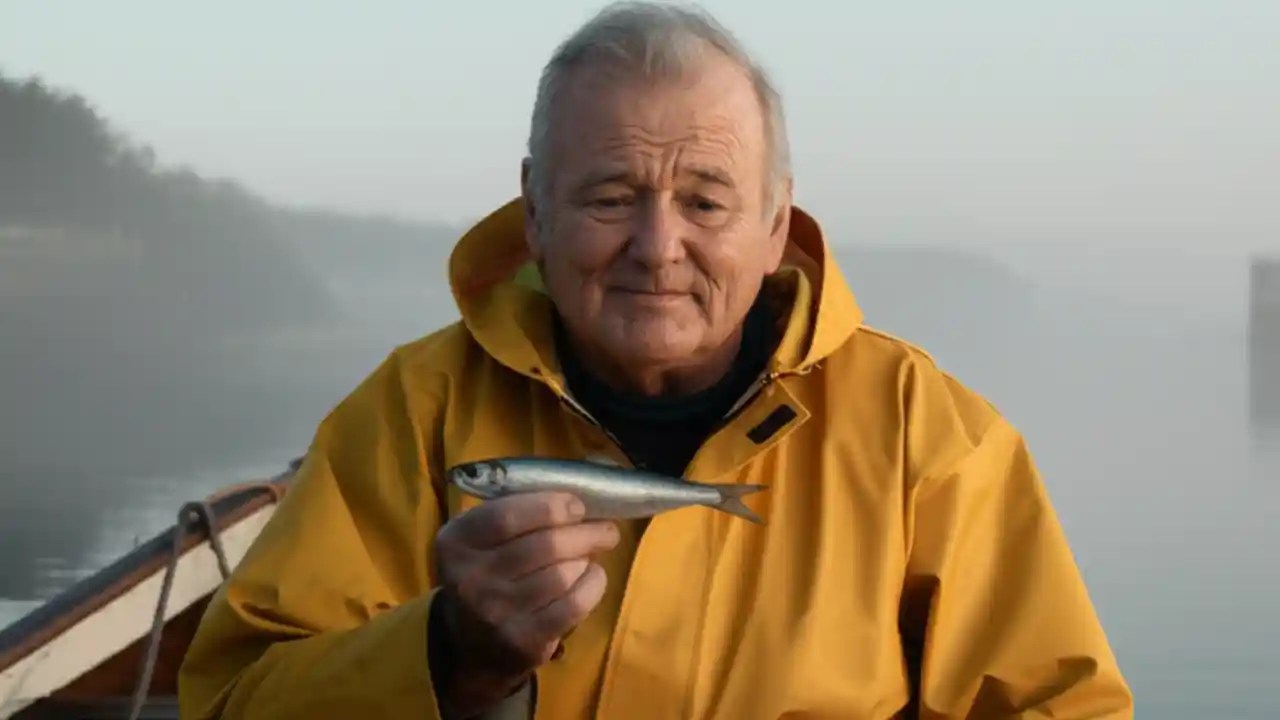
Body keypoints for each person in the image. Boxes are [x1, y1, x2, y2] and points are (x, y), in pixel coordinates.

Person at [178, 2, 1134, 718]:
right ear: (535, 212)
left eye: (706, 202)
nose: (657, 246)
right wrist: (447, 653)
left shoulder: (932, 441)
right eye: (608, 196)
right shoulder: (407, 413)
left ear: (775, 225)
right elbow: (228, 700)